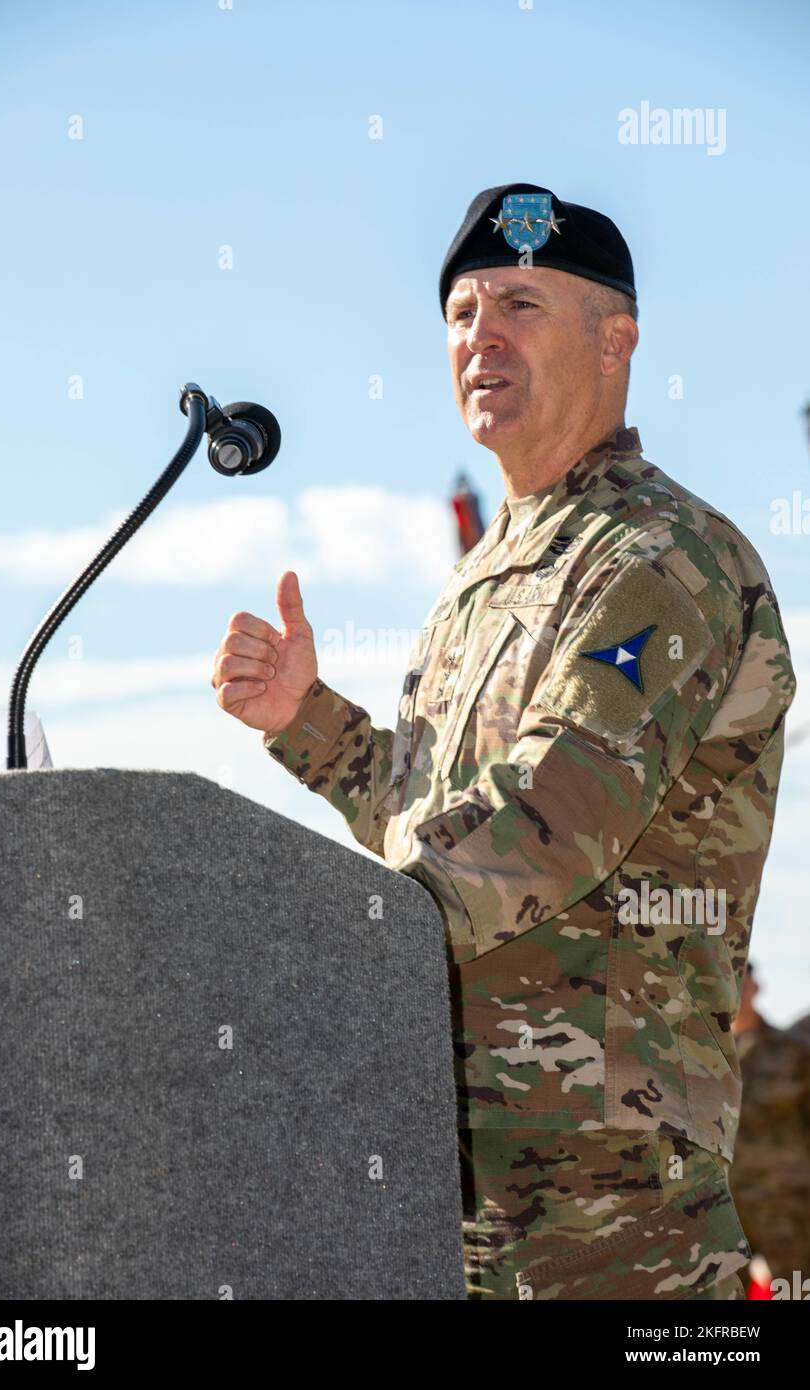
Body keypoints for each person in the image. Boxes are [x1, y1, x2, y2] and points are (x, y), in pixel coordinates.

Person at [210, 182, 796, 1300]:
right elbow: (425, 817)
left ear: (615, 339)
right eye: (461, 313)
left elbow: (544, 820)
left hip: (612, 1230)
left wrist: (285, 958)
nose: (480, 337)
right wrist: (310, 724)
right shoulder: (478, 583)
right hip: (447, 1205)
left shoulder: (659, 557)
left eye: (520, 304)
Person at [730, 963, 810, 1289]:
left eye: (740, 981)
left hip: (787, 1207)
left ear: (755, 987)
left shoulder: (795, 1053)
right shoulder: (698, 1062)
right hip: (723, 1211)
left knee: (796, 1293)